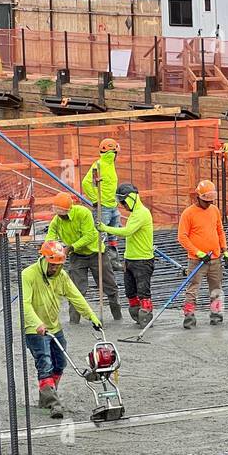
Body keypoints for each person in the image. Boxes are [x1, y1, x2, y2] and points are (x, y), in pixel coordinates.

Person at [21, 240, 100, 416]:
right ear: (44, 258)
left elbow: (76, 296)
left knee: (60, 363)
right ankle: (53, 403)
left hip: (54, 328)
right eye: (52, 265)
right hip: (36, 330)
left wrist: (92, 317)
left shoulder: (62, 276)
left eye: (58, 265)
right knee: (45, 363)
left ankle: (47, 397)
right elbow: (25, 304)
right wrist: (36, 323)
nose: (55, 269)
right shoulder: (28, 275)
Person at [47, 191, 121, 324]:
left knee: (109, 286)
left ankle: (118, 317)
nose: (61, 217)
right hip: (77, 257)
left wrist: (70, 247)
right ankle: (74, 322)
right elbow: (50, 238)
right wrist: (49, 249)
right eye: (58, 214)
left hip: (96, 254)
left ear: (69, 209)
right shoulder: (56, 221)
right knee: (75, 290)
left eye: (63, 214)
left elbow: (90, 236)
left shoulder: (83, 213)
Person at [100, 184, 155, 328]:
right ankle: (137, 316)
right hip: (130, 260)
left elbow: (127, 231)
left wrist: (105, 228)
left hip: (143, 261)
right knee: (130, 292)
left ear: (132, 198)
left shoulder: (142, 213)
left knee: (143, 292)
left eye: (124, 202)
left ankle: (146, 315)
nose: (123, 206)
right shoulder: (133, 214)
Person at [177, 179, 228, 329]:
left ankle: (216, 316)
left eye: (211, 201)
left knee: (216, 289)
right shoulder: (188, 213)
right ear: (197, 197)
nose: (208, 204)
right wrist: (198, 253)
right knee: (192, 289)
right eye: (206, 201)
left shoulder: (214, 210)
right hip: (196, 261)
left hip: (215, 259)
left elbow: (220, 231)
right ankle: (189, 318)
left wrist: (225, 251)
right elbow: (182, 237)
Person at [82, 137, 122, 272]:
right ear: (114, 152)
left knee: (112, 236)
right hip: (103, 208)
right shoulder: (98, 166)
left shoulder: (110, 165)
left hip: (113, 206)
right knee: (100, 237)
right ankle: (97, 264)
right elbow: (86, 183)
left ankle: (113, 261)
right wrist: (95, 200)